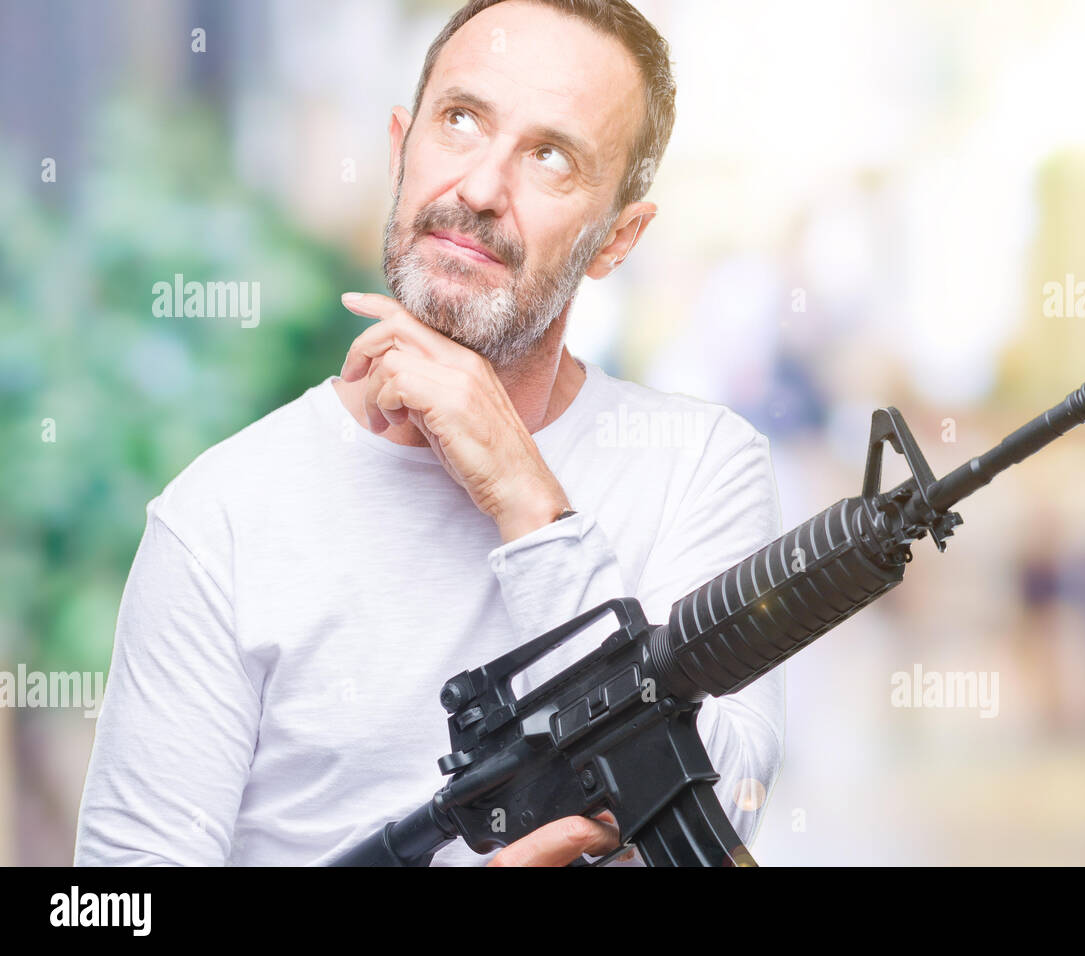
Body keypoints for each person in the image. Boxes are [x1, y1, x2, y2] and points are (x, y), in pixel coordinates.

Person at [74, 0, 785, 866]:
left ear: (618, 238)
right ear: (399, 149)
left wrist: (530, 504)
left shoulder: (700, 467)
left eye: (551, 157)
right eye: (460, 121)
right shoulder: (218, 519)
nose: (481, 189)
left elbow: (733, 797)